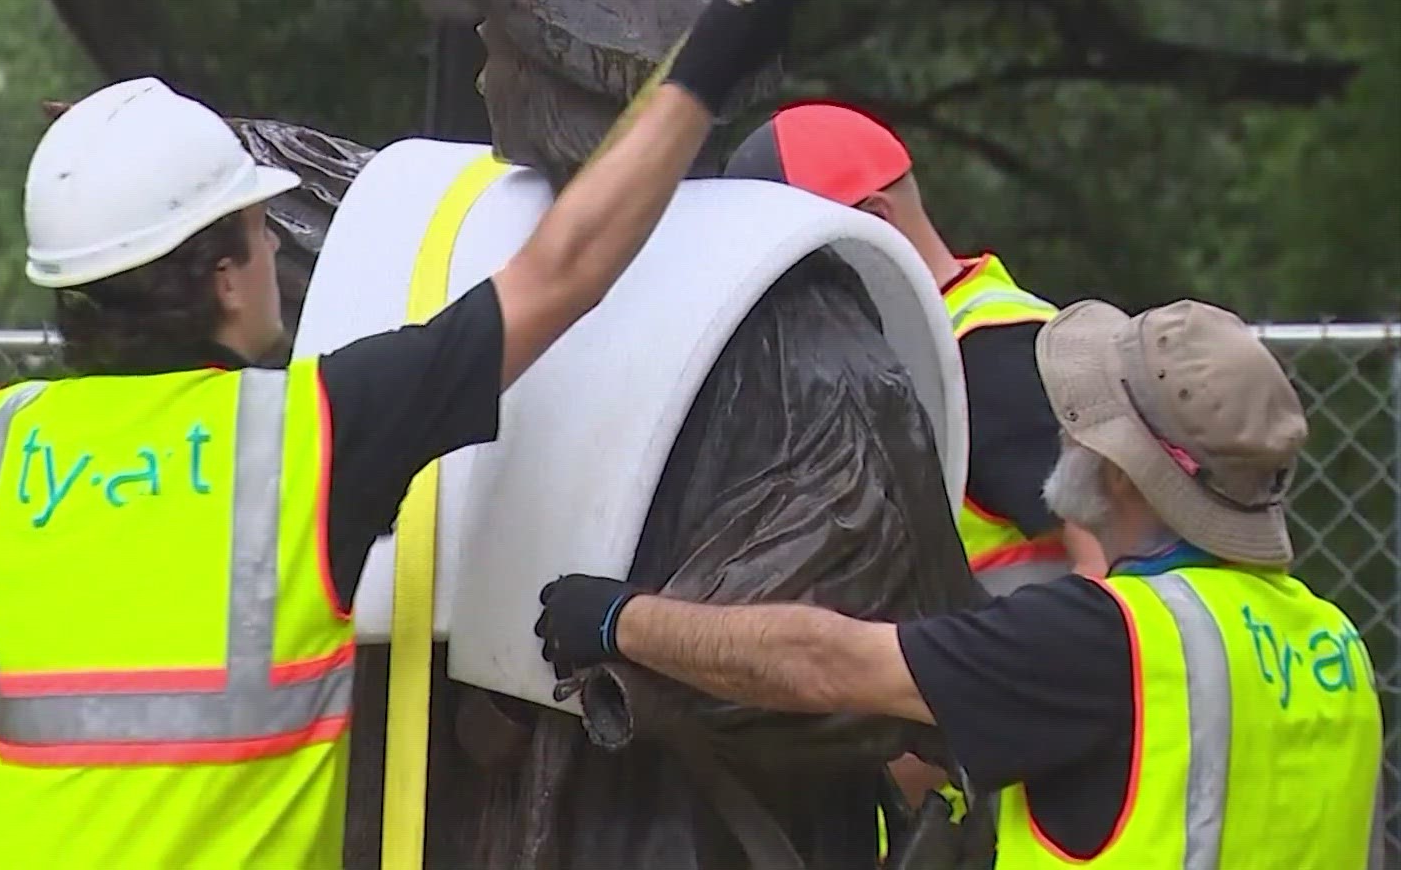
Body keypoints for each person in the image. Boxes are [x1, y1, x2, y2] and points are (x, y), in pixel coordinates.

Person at [0, 0, 812, 868]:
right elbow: (566, 272)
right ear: (225, 277)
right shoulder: (308, 440)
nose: (277, 250)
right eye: (263, 229)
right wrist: (710, 59)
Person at [536, 298, 1384, 869]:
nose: (1067, 433)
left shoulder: (1103, 642)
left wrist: (619, 621)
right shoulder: (1329, 642)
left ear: (1123, 476)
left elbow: (826, 666)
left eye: (1086, 422)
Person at [724, 102, 1107, 594]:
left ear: (877, 220)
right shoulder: (945, 334)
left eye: (802, 253)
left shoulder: (985, 356)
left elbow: (1105, 563)